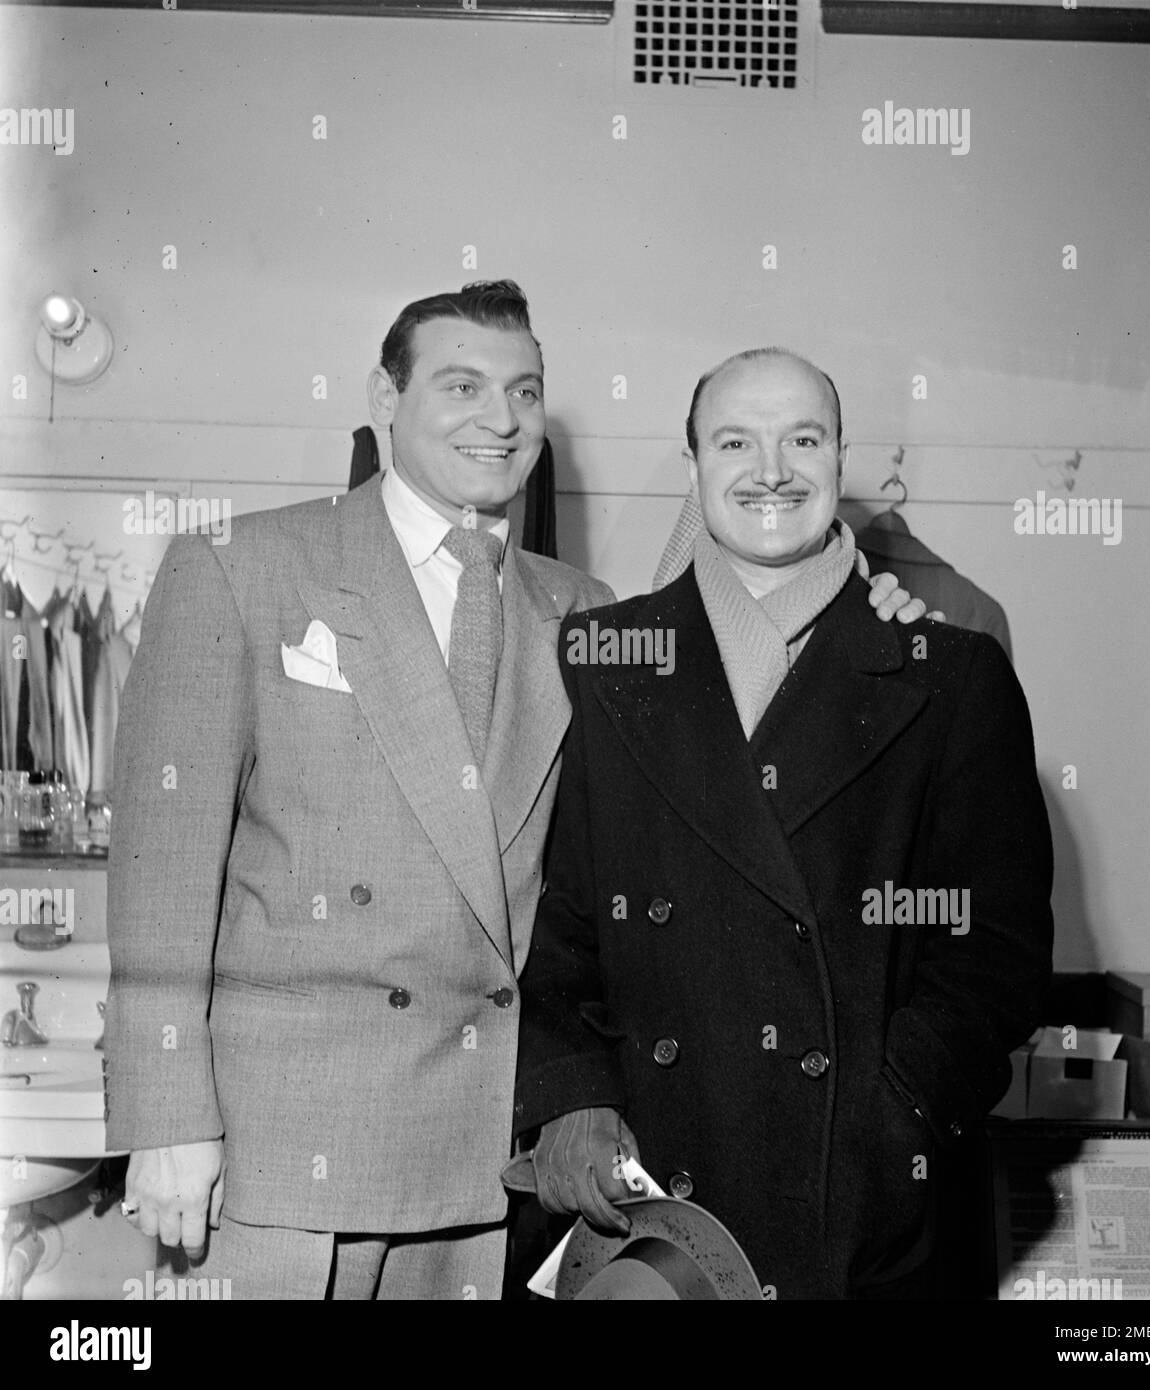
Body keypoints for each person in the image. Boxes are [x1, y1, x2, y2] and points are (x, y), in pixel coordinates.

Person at [104, 287, 926, 1300]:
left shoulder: (590, 615)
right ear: (383, 397)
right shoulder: (241, 567)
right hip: (288, 1152)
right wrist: (167, 1118)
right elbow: (161, 869)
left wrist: (862, 607)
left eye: (524, 392)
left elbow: (730, 736)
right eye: (462, 385)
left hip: (488, 1163)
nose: (499, 417)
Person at [513, 347, 1055, 1300]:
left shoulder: (948, 672)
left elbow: (990, 955)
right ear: (693, 468)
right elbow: (564, 926)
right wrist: (573, 1096)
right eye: (735, 442)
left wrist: (892, 1127)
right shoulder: (605, 659)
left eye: (801, 439)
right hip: (647, 1199)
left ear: (840, 460)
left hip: (854, 1208)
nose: (770, 470)